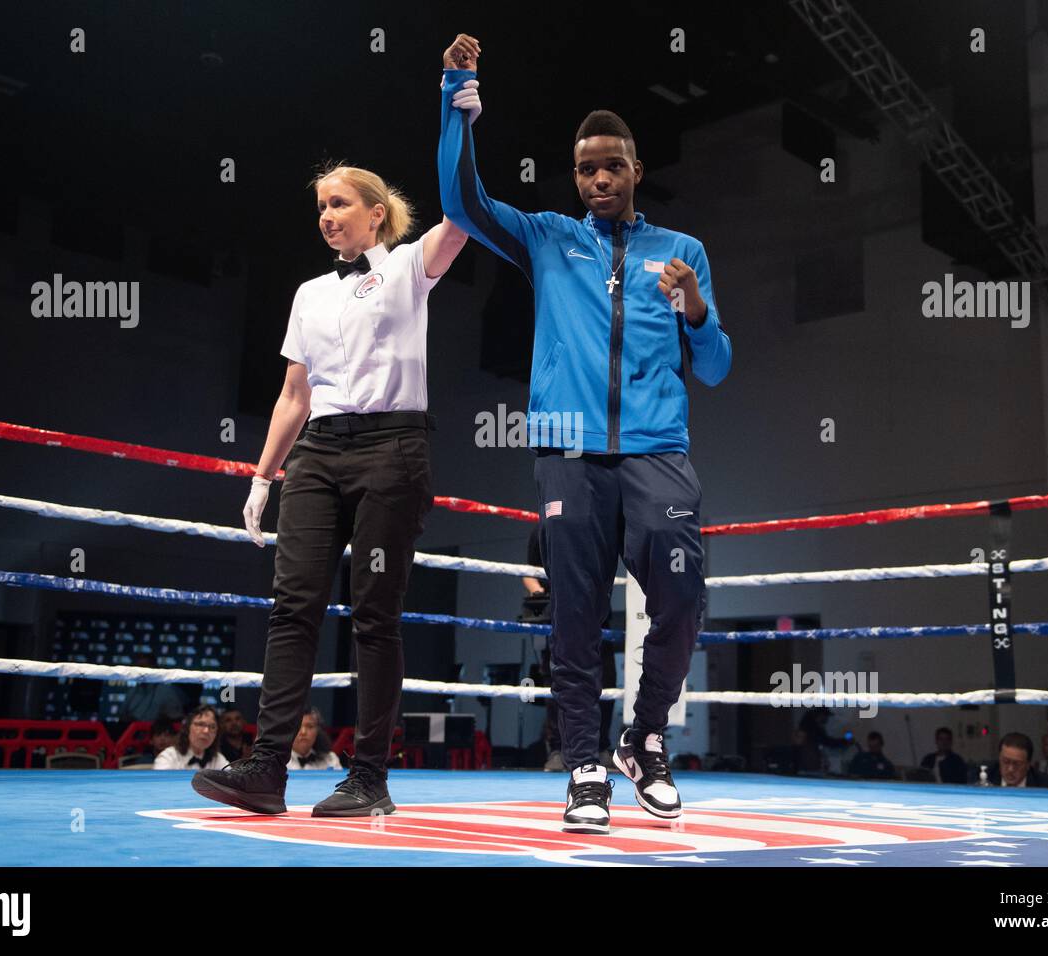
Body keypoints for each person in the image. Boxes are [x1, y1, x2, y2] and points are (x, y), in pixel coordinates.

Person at [438, 35, 732, 834]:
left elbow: (714, 366)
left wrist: (694, 311)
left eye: (612, 165)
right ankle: (585, 765)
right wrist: (456, 96)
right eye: (584, 168)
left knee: (680, 595)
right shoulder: (547, 238)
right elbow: (463, 204)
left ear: (636, 169)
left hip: (658, 451)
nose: (598, 178)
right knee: (573, 614)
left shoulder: (682, 253)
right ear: (575, 178)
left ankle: (644, 736)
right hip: (569, 449)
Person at [192, 162, 469, 817]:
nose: (326, 216)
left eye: (340, 203)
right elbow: (293, 393)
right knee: (294, 607)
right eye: (320, 205)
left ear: (376, 213)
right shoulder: (310, 293)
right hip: (317, 453)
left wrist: (459, 111)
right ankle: (266, 769)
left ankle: (369, 777)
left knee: (374, 615)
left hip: (392, 448)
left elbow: (462, 216)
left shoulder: (408, 267)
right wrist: (262, 477)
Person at [521, 525, 617, 771]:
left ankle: (601, 747)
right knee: (559, 682)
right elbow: (528, 571)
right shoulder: (544, 526)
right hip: (558, 613)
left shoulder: (600, 523)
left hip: (597, 613)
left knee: (605, 681)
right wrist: (541, 595)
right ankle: (558, 749)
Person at [156, 705, 227, 770]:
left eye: (212, 727)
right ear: (187, 728)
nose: (206, 731)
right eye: (200, 724)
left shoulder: (218, 759)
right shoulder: (169, 757)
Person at [980, 732, 1048, 788]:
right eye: (1006, 762)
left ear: (1028, 765)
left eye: (1017, 764)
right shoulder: (983, 776)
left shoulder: (1045, 785)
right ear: (999, 759)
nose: (1010, 769)